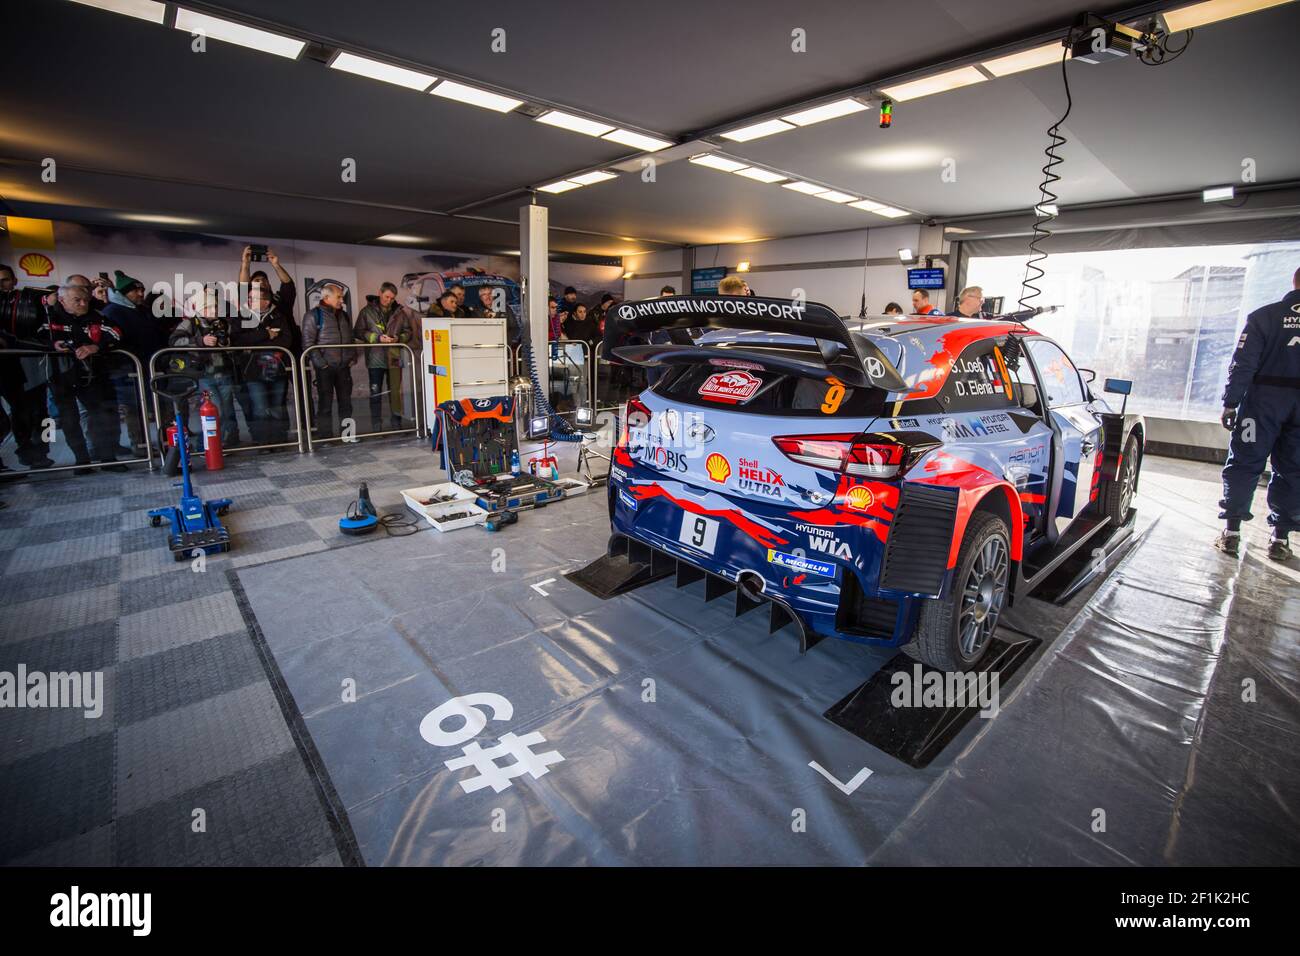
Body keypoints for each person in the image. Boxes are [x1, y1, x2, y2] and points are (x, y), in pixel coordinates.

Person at [1216, 267, 1300, 562]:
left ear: (1294, 282)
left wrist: (1231, 402)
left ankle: (1232, 533)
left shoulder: (1265, 317)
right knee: (1294, 470)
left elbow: (1243, 364)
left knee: (1244, 463)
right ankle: (1280, 539)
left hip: (1262, 404)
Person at [41, 284, 125, 473]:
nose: (82, 303)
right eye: (76, 300)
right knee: (69, 419)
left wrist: (96, 347)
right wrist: (53, 344)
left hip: (91, 375)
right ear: (62, 300)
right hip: (60, 376)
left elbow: (117, 334)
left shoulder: (97, 317)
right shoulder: (50, 317)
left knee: (101, 416)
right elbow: (36, 337)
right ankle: (82, 460)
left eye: (85, 299)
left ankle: (108, 458)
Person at [169, 285, 240, 447]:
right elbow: (174, 341)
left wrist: (226, 342)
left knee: (228, 410)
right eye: (209, 307)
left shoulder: (223, 323)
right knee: (216, 411)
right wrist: (201, 342)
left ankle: (226, 442)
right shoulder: (190, 324)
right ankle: (205, 445)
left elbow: (232, 341)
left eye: (215, 306)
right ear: (201, 308)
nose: (214, 310)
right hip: (205, 375)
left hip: (224, 372)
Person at [100, 270, 162, 457]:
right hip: (127, 368)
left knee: (154, 405)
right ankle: (139, 444)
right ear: (123, 293)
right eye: (135, 291)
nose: (140, 294)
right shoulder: (112, 311)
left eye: (142, 290)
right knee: (133, 408)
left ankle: (161, 441)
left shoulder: (141, 310)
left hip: (148, 364)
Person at [231, 274, 296, 447]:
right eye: (250, 297)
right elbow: (237, 340)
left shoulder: (278, 316)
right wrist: (266, 334)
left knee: (277, 406)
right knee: (259, 407)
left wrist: (256, 341)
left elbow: (286, 340)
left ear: (266, 301)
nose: (250, 300)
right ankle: (263, 442)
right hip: (252, 370)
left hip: (277, 369)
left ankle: (279, 439)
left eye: (255, 298)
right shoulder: (242, 316)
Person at [353, 281, 416, 431]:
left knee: (395, 392)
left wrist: (398, 339)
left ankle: (396, 423)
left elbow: (408, 331)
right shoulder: (366, 311)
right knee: (376, 392)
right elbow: (358, 332)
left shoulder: (400, 312)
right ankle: (376, 426)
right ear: (380, 293)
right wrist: (376, 338)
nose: (389, 300)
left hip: (394, 358)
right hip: (375, 359)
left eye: (392, 298)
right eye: (387, 297)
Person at [301, 282, 357, 438]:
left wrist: (351, 357)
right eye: (338, 297)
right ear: (326, 297)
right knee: (325, 404)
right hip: (325, 369)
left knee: (346, 404)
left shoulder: (344, 315)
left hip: (344, 367)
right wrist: (322, 365)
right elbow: (307, 343)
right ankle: (325, 436)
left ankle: (347, 434)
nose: (342, 300)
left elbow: (350, 338)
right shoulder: (313, 315)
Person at [239, 245, 299, 353]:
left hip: (285, 356)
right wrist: (245, 264)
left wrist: (276, 264)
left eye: (264, 280)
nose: (261, 282)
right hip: (254, 358)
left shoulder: (279, 301)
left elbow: (288, 285)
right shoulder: (247, 304)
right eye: (257, 280)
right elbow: (243, 286)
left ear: (269, 285)